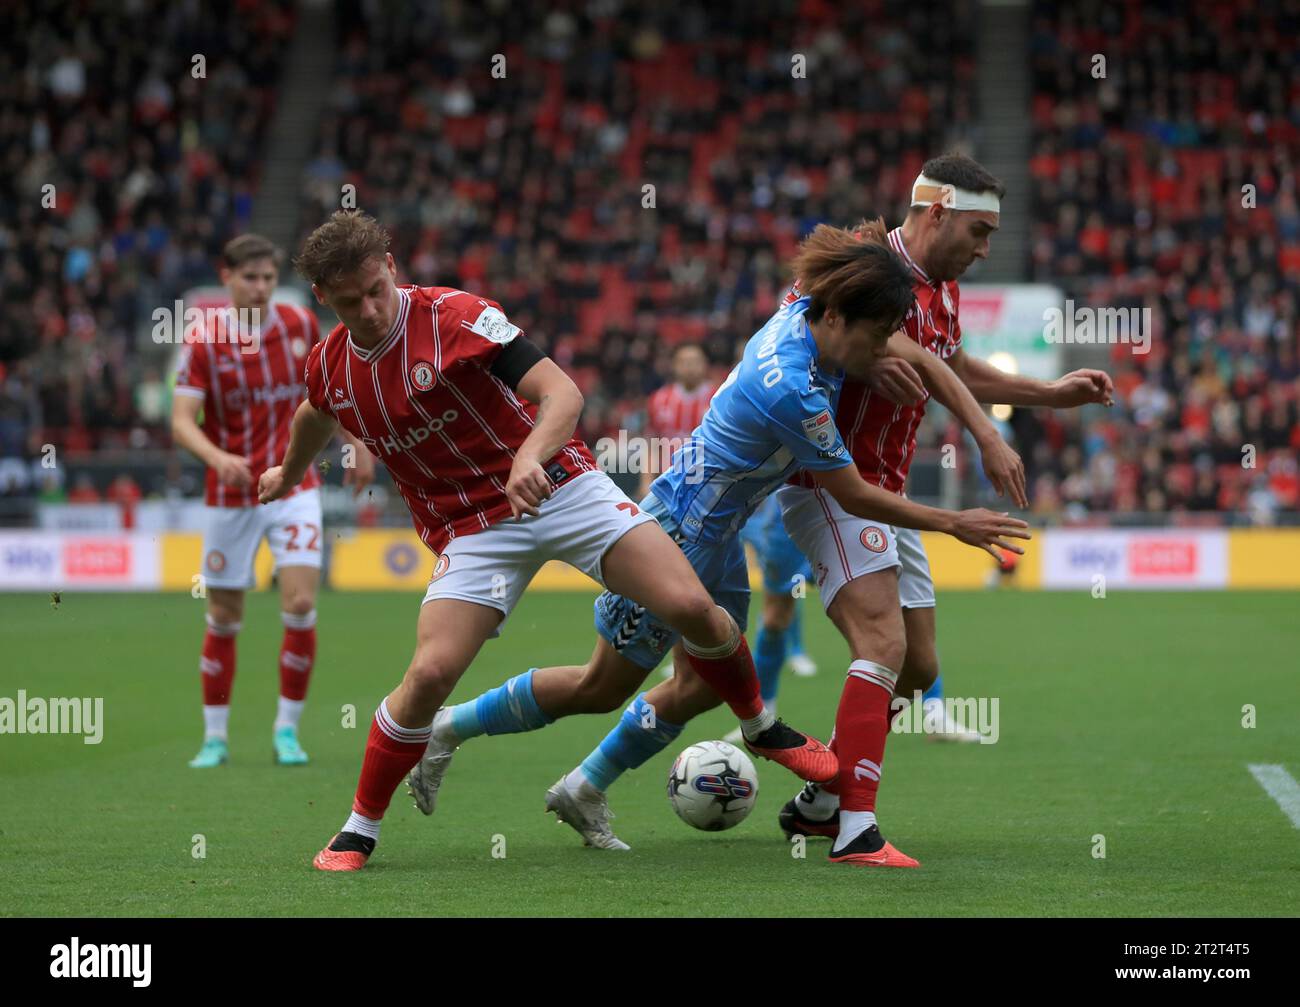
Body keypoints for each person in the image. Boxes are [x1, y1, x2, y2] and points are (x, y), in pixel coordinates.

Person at [409, 221, 1030, 862]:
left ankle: (584, 785)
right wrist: (956, 523)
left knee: (700, 686)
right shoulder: (795, 390)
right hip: (676, 534)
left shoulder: (802, 313)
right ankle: (446, 729)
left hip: (721, 537)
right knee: (600, 686)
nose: (883, 352)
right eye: (876, 339)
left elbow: (904, 347)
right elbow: (855, 495)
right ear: (841, 317)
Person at [259, 211, 834, 872]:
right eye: (351, 300)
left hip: (559, 485)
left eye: (375, 288)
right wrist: (290, 470)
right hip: (473, 529)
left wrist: (530, 454)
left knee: (695, 608)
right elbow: (315, 411)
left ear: (391, 267)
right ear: (325, 299)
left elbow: (561, 390)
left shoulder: (455, 316)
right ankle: (359, 827)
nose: (369, 308)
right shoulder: (330, 365)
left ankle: (761, 726)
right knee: (429, 674)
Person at [777, 154, 1115, 845]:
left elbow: (953, 366)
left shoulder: (943, 287)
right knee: (882, 643)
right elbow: (925, 364)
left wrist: (1049, 394)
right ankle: (854, 824)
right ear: (938, 214)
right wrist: (987, 436)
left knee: (921, 666)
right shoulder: (874, 274)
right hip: (835, 485)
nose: (986, 249)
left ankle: (821, 792)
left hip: (885, 491)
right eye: (979, 232)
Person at [172, 233, 374, 769]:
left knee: (302, 605)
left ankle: (287, 731)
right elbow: (179, 423)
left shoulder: (300, 326)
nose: (262, 288)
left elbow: (333, 390)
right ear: (228, 278)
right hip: (229, 495)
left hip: (294, 485)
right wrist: (215, 457)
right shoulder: (204, 340)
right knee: (222, 616)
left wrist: (356, 443)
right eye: (251, 278)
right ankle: (215, 737)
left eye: (268, 278)